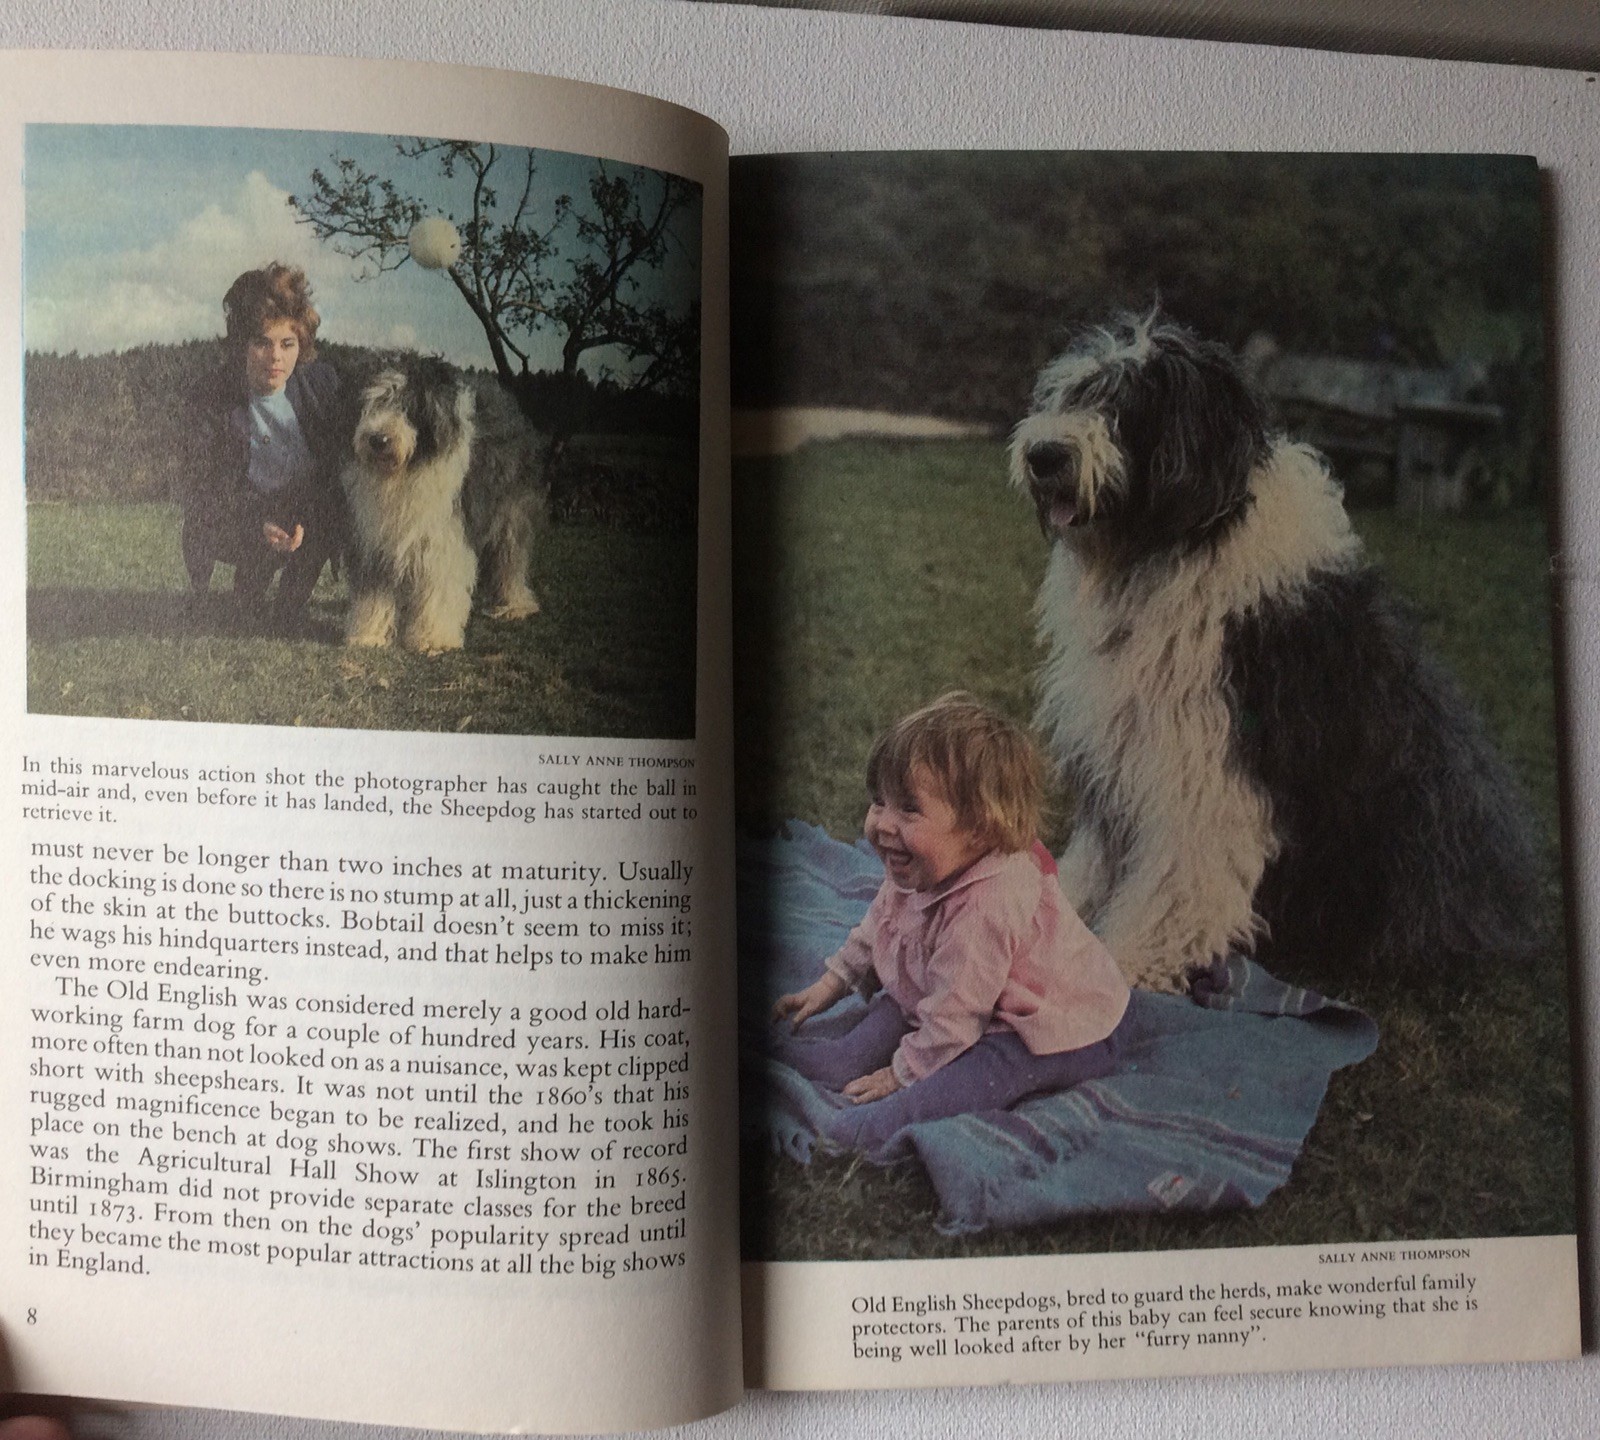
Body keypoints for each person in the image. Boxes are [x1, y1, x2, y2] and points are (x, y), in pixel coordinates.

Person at [771, 692, 1131, 1157]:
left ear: (980, 827)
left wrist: (900, 1075)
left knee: (980, 1071)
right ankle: (827, 1060)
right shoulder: (920, 861)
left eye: (908, 808)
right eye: (879, 801)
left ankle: (875, 1123)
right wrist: (831, 983)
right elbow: (881, 921)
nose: (882, 823)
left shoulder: (990, 903)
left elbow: (956, 1019)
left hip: (1052, 1023)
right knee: (887, 1015)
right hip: (954, 993)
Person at [182, 262, 346, 633]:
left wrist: (305, 517)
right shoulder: (210, 398)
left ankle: (290, 606)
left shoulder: (322, 387)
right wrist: (258, 523)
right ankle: (245, 591)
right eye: (262, 342)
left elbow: (334, 471)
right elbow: (206, 488)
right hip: (245, 513)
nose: (276, 357)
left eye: (287, 344)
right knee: (244, 614)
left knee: (325, 521)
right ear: (242, 343)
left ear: (301, 345)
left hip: (307, 511)